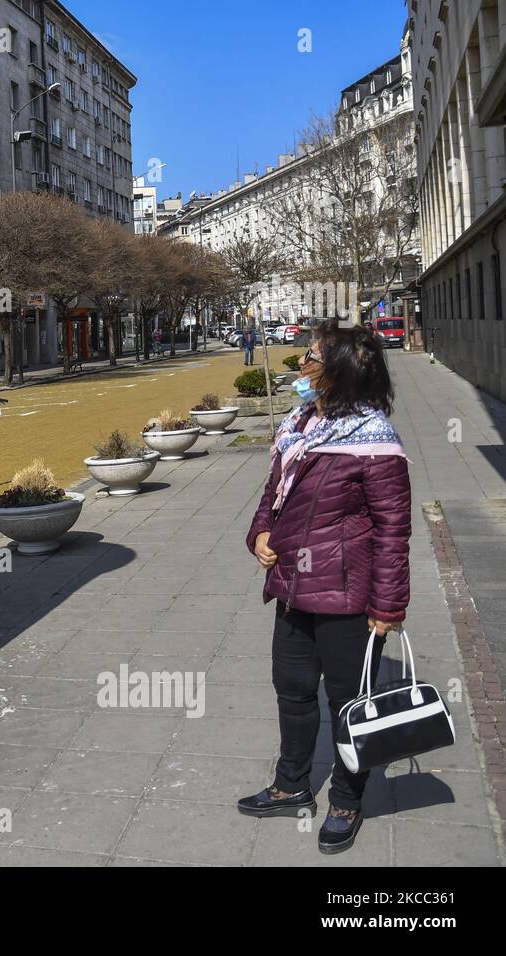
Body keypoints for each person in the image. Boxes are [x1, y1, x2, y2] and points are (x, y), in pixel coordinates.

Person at [238, 322, 411, 855]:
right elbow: (275, 492)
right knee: (291, 688)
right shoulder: (300, 424)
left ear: (340, 372)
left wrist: (388, 604)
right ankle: (291, 784)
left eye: (312, 360)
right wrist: (260, 532)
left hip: (345, 594)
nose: (301, 369)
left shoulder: (374, 440)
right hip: (291, 586)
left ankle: (346, 800)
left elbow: (392, 528)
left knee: (347, 702)